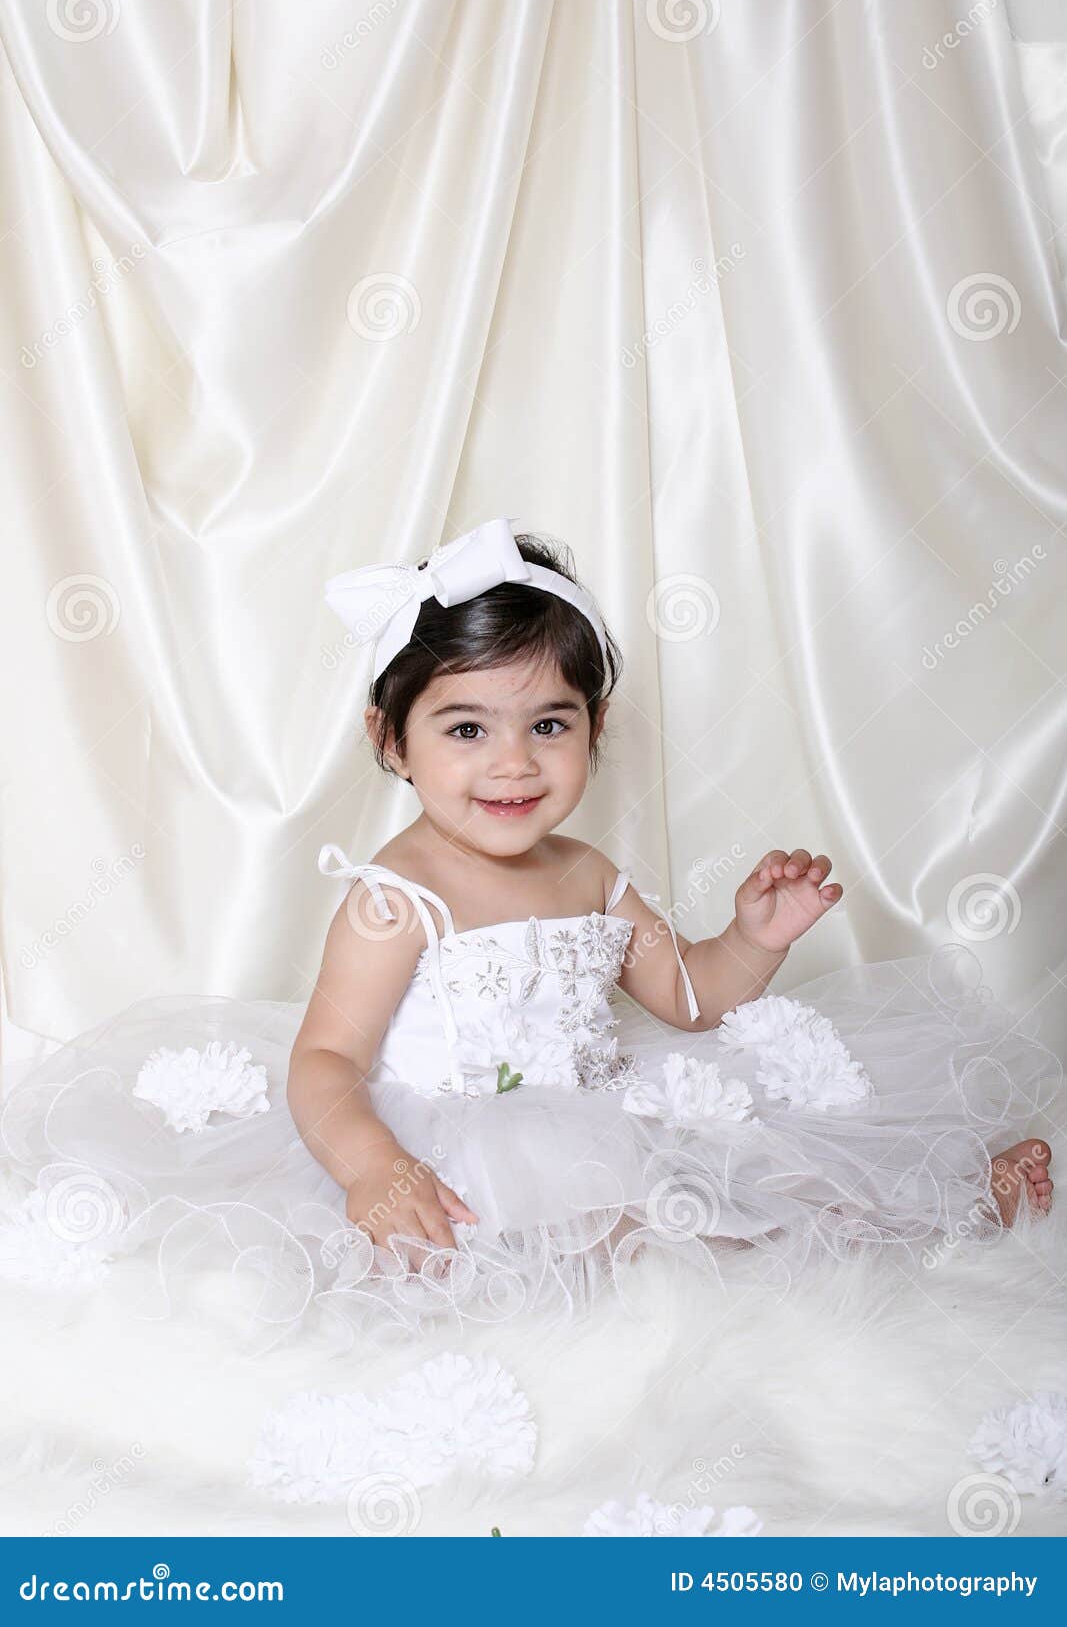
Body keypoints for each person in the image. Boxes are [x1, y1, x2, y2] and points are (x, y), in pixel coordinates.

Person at [0, 517, 1057, 1354]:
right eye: (465, 728)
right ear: (391, 738)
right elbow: (324, 1058)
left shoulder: (588, 873)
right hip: (457, 1136)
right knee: (570, 1245)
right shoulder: (396, 895)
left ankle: (953, 1195)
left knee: (760, 1179)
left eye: (547, 724)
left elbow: (688, 1000)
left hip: (600, 1109)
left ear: (593, 731)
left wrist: (753, 935)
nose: (512, 763)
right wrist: (373, 1167)